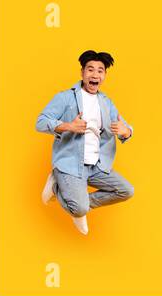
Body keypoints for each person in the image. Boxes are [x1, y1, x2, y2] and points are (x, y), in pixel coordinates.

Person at [35, 50, 136, 236]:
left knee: (126, 190)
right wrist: (67, 126)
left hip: (97, 166)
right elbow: (40, 122)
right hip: (70, 164)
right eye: (90, 70)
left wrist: (126, 131)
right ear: (82, 73)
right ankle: (63, 189)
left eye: (100, 70)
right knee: (79, 209)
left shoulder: (106, 102)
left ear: (104, 75)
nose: (95, 74)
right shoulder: (66, 97)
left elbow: (123, 125)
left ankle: (76, 203)